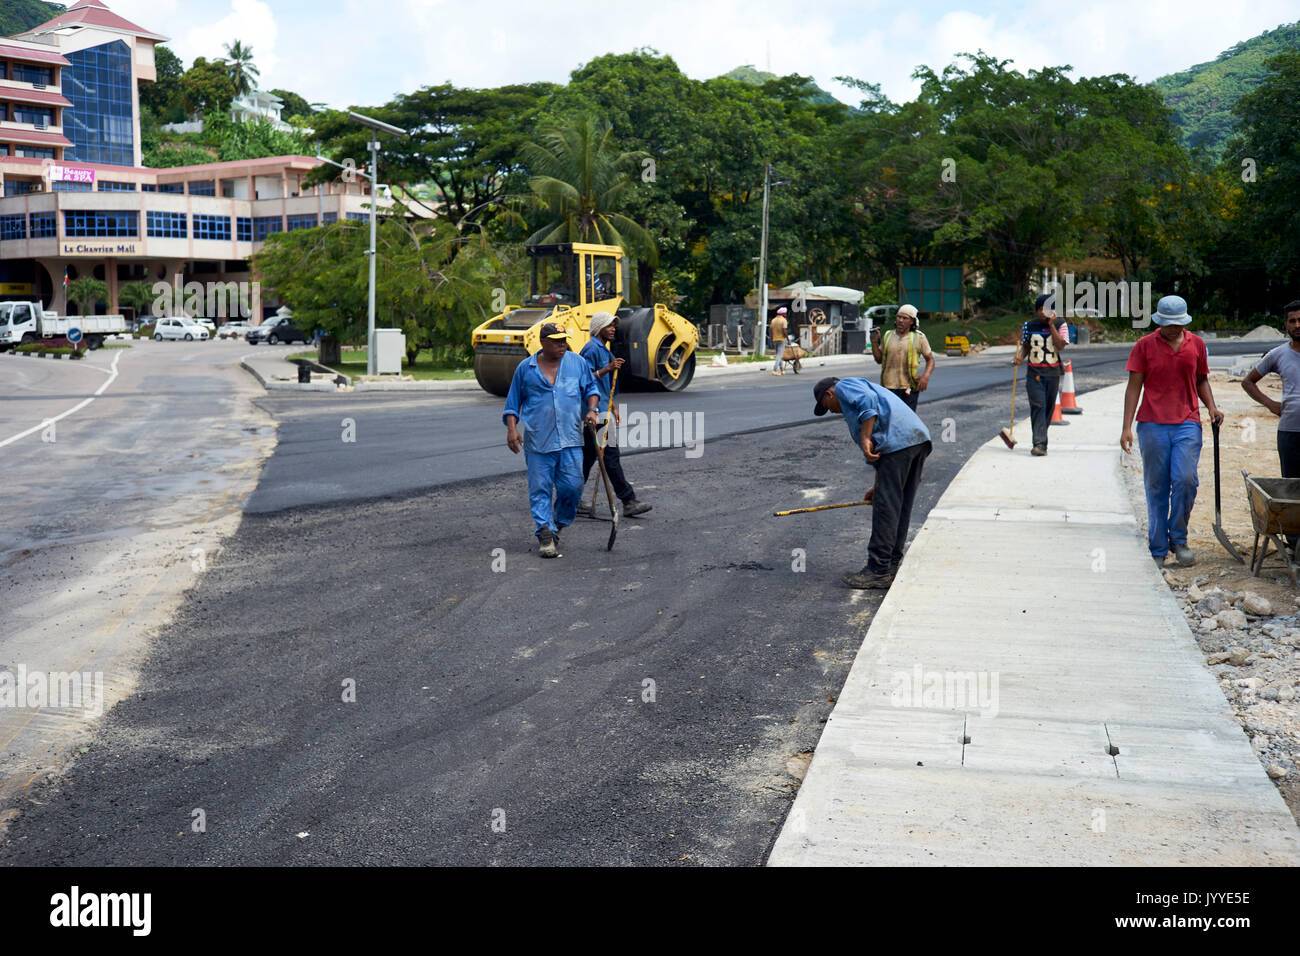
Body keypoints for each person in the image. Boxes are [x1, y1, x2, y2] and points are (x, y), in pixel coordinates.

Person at [1120, 295, 1223, 568]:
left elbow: (1201, 380)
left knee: (1185, 480)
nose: (1173, 329)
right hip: (1152, 424)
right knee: (1157, 486)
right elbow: (1134, 387)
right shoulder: (1144, 346)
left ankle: (1178, 538)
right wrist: (1126, 427)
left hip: (1187, 422)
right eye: (1168, 324)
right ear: (1159, 321)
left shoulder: (1197, 345)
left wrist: (1212, 407)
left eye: (1178, 324)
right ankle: (1158, 546)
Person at [813, 376, 932, 589]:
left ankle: (878, 570)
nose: (832, 411)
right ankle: (890, 564)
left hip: (900, 445)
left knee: (886, 508)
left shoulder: (844, 386)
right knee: (899, 505)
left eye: (826, 406)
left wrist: (865, 438)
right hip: (915, 440)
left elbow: (868, 404)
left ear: (829, 394)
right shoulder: (862, 389)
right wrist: (877, 487)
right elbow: (881, 452)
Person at [503, 322, 601, 558]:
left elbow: (591, 388)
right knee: (540, 489)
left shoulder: (577, 362)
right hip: (539, 441)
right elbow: (512, 404)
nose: (562, 345)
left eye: (564, 340)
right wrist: (512, 429)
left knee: (573, 487)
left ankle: (558, 522)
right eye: (556, 341)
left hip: (571, 439)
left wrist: (592, 409)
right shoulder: (525, 369)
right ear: (543, 342)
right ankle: (545, 532)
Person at [577, 312, 652, 518]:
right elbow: (583, 380)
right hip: (593, 413)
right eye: (609, 326)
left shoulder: (605, 349)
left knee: (587, 459)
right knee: (610, 457)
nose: (613, 329)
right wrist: (607, 368)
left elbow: (604, 386)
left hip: (603, 408)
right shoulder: (591, 349)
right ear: (599, 328)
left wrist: (613, 407)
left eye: (614, 326)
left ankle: (570, 500)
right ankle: (628, 501)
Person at [1241, 299, 1300, 551]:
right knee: (1292, 486)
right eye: (1292, 321)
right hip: (1290, 431)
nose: (1297, 325)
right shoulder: (1278, 354)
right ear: (1285, 325)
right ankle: (1295, 542)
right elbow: (1248, 382)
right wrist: (1270, 404)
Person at [1014, 293, 1070, 456]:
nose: (1042, 313)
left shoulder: (1061, 325)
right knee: (1038, 406)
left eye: (1046, 310)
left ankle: (1041, 438)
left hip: (1052, 373)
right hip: (1034, 373)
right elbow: (1025, 346)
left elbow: (1060, 346)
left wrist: (1051, 326)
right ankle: (1039, 444)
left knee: (1048, 409)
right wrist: (1019, 357)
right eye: (1039, 309)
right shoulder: (1029, 325)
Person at [871, 304, 934, 410]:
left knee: (907, 422)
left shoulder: (919, 338)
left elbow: (930, 359)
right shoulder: (888, 335)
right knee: (889, 420)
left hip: (909, 388)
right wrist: (874, 342)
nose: (900, 320)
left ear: (912, 321)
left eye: (905, 318)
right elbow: (879, 360)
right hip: (888, 387)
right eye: (898, 317)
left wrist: (925, 376)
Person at [770, 307, 789, 375]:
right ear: (783, 314)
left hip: (774, 340)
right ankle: (774, 370)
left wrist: (771, 341)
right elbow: (784, 331)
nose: (786, 315)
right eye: (785, 313)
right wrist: (788, 339)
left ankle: (782, 370)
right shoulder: (784, 320)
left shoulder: (773, 320)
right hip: (781, 340)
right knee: (779, 356)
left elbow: (771, 331)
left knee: (779, 355)